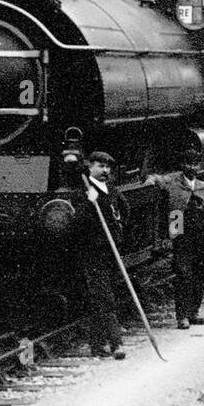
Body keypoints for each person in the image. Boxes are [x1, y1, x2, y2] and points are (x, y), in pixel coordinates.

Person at [158, 149, 204, 329]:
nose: (192, 167)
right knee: (183, 274)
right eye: (189, 164)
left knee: (199, 273)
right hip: (182, 235)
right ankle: (182, 317)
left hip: (202, 235)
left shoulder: (202, 185)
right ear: (182, 165)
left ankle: (194, 313)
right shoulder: (173, 182)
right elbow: (158, 181)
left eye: (195, 164)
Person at [79, 151, 128, 359]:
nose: (105, 171)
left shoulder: (113, 191)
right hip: (94, 252)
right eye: (100, 166)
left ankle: (97, 345)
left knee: (102, 297)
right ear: (90, 168)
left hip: (112, 251)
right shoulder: (83, 192)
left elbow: (124, 211)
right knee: (104, 297)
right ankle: (116, 343)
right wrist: (88, 203)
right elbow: (77, 223)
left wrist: (118, 231)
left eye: (108, 167)